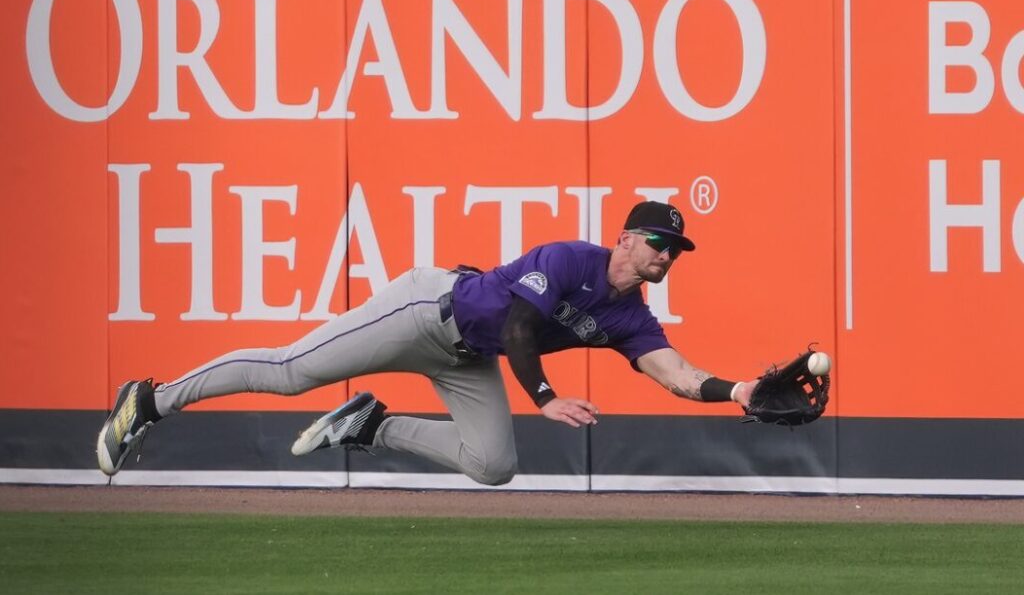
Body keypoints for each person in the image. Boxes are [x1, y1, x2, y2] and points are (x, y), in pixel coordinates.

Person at [97, 201, 756, 485]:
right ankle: (149, 400)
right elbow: (523, 327)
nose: (668, 254)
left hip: (470, 357)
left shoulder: (631, 317)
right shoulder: (571, 259)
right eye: (659, 242)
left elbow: (675, 372)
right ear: (626, 239)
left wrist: (741, 390)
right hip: (423, 311)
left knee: (494, 464)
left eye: (677, 249)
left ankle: (370, 425)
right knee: (291, 371)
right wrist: (547, 396)